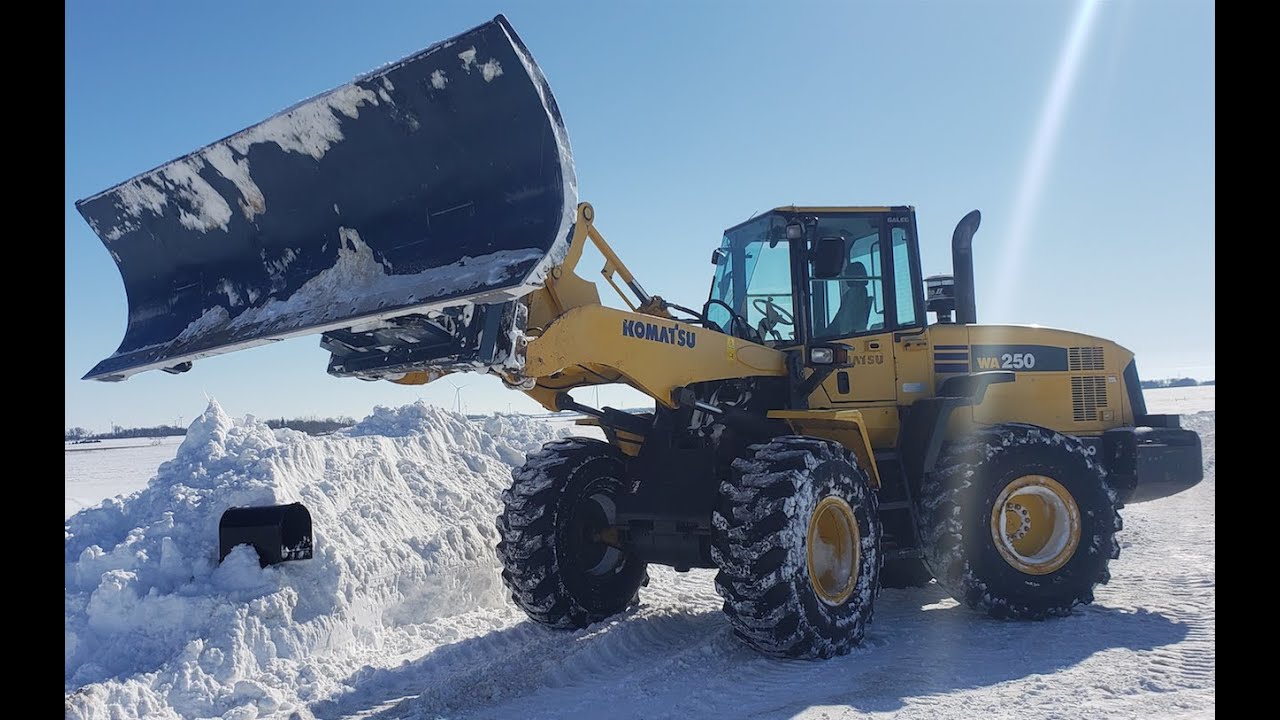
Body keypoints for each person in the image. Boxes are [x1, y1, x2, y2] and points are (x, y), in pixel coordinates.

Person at [823, 261, 871, 337]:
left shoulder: (856, 294)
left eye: (847, 274)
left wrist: (827, 332)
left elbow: (845, 322)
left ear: (854, 275)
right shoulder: (851, 294)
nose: (845, 277)